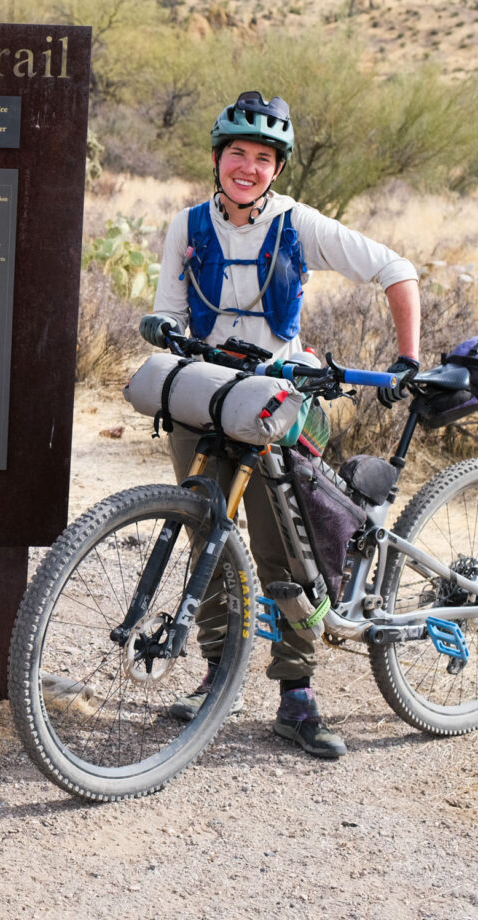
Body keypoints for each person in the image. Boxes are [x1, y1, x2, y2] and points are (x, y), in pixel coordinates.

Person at [138, 90, 421, 759]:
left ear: (277, 169)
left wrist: (408, 358)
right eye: (237, 152)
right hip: (206, 399)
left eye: (262, 157)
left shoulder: (297, 224)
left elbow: (394, 269)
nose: (248, 166)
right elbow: (168, 317)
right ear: (217, 158)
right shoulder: (187, 226)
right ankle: (215, 675)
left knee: (286, 553)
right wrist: (165, 335)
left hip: (279, 400)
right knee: (205, 532)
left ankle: (296, 694)